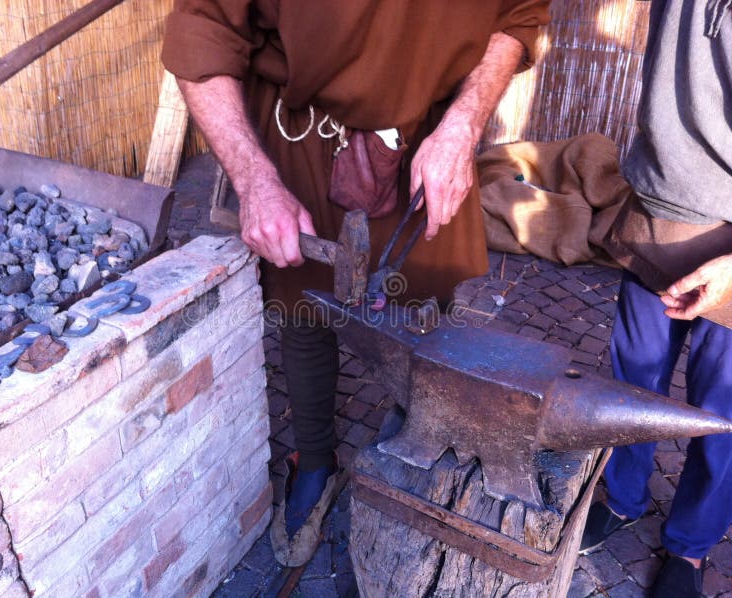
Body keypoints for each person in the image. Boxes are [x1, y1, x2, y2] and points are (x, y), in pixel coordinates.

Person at [161, 0, 550, 566]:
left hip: (429, 138)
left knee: (424, 308)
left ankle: (415, 451)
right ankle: (315, 460)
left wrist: (464, 126)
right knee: (301, 307)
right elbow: (203, 31)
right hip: (302, 134)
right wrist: (254, 179)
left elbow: (515, 17)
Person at [580, 1, 732, 596]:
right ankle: (622, 498)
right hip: (657, 213)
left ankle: (690, 547)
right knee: (631, 381)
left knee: (721, 414)